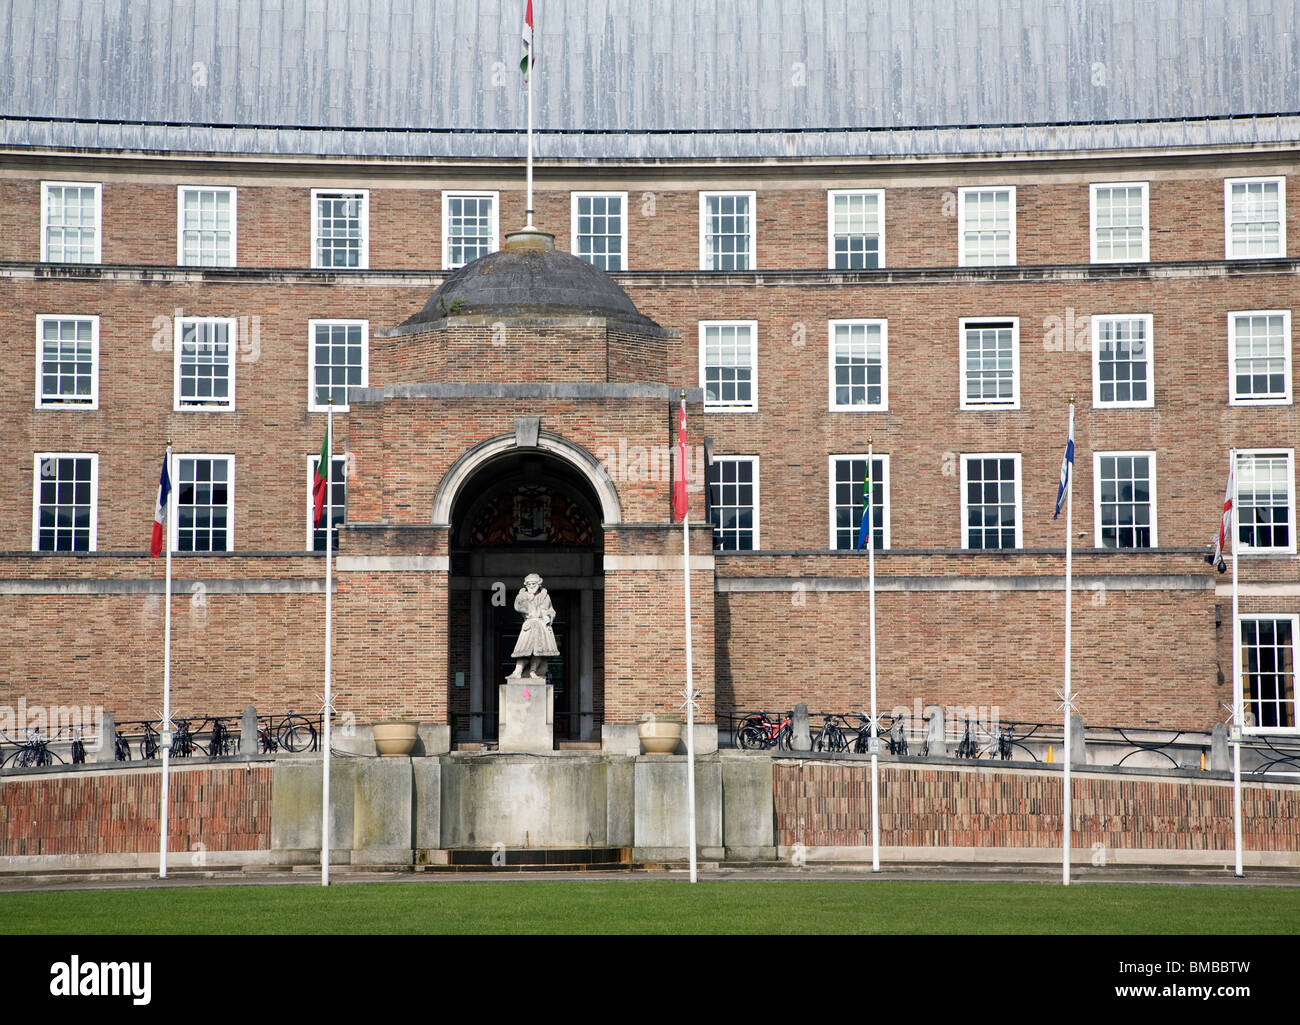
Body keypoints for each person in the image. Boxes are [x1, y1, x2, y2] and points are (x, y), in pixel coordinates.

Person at [508, 573, 558, 679]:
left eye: (534, 584)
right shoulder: (522, 595)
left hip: (542, 626)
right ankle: (517, 671)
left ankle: (533, 671)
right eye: (529, 584)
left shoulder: (545, 596)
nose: (531, 586)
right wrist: (529, 600)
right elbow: (518, 607)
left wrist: (549, 616)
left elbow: (551, 610)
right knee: (523, 650)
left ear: (539, 584)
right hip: (529, 625)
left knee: (539, 651)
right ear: (526, 585)